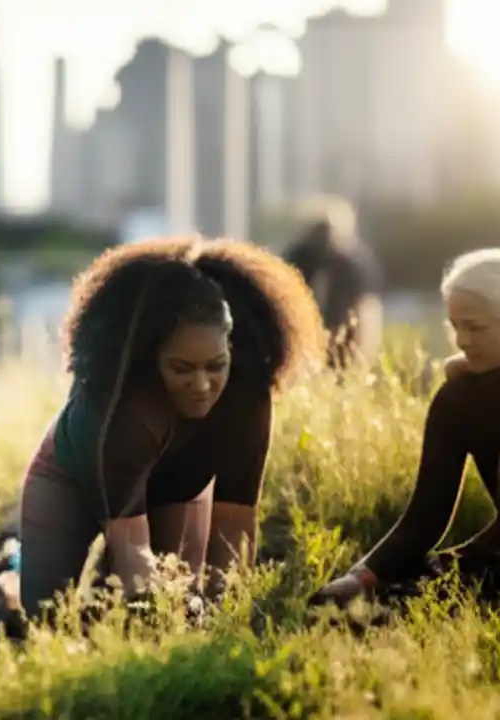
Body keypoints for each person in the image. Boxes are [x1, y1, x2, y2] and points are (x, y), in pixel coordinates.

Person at [17, 237, 325, 617]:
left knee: (186, 606)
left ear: (231, 350)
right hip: (70, 483)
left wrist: (219, 619)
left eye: (216, 366)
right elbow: (133, 559)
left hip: (172, 493)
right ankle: (4, 588)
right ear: (154, 358)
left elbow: (234, 533)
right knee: (48, 617)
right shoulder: (129, 417)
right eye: (181, 369)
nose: (202, 385)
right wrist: (155, 611)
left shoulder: (248, 401)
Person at [314, 248, 500, 605]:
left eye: (475, 327)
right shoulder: (458, 399)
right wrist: (361, 576)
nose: (462, 341)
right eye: (456, 327)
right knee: (355, 601)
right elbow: (425, 516)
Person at [284, 195, 383, 368]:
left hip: (341, 343)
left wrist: (360, 355)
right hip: (307, 346)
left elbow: (366, 311)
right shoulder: (299, 258)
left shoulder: (352, 265)